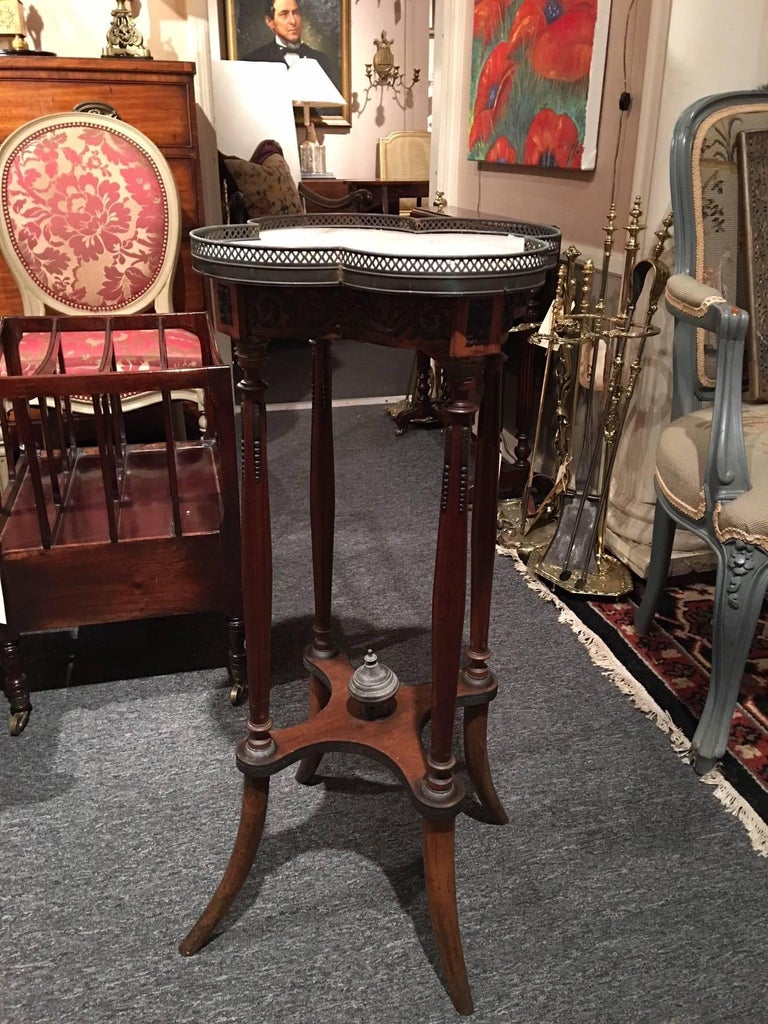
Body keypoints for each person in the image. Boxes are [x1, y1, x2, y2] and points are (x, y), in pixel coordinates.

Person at [243, 1, 335, 84]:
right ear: (270, 22)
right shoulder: (253, 61)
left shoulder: (321, 60)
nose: (293, 21)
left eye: (296, 13)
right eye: (284, 14)